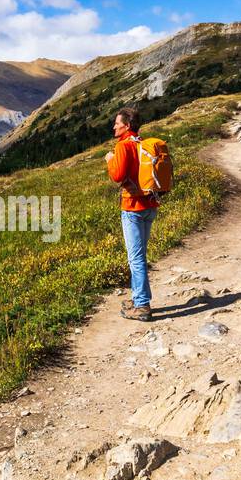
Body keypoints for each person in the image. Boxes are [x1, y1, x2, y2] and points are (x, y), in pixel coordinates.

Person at [105, 106, 156, 322]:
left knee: (135, 258)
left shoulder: (124, 146)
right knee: (140, 256)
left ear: (126, 125)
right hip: (150, 205)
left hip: (132, 208)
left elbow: (117, 176)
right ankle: (136, 299)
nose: (114, 126)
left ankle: (142, 305)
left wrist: (109, 160)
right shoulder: (142, 143)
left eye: (117, 123)